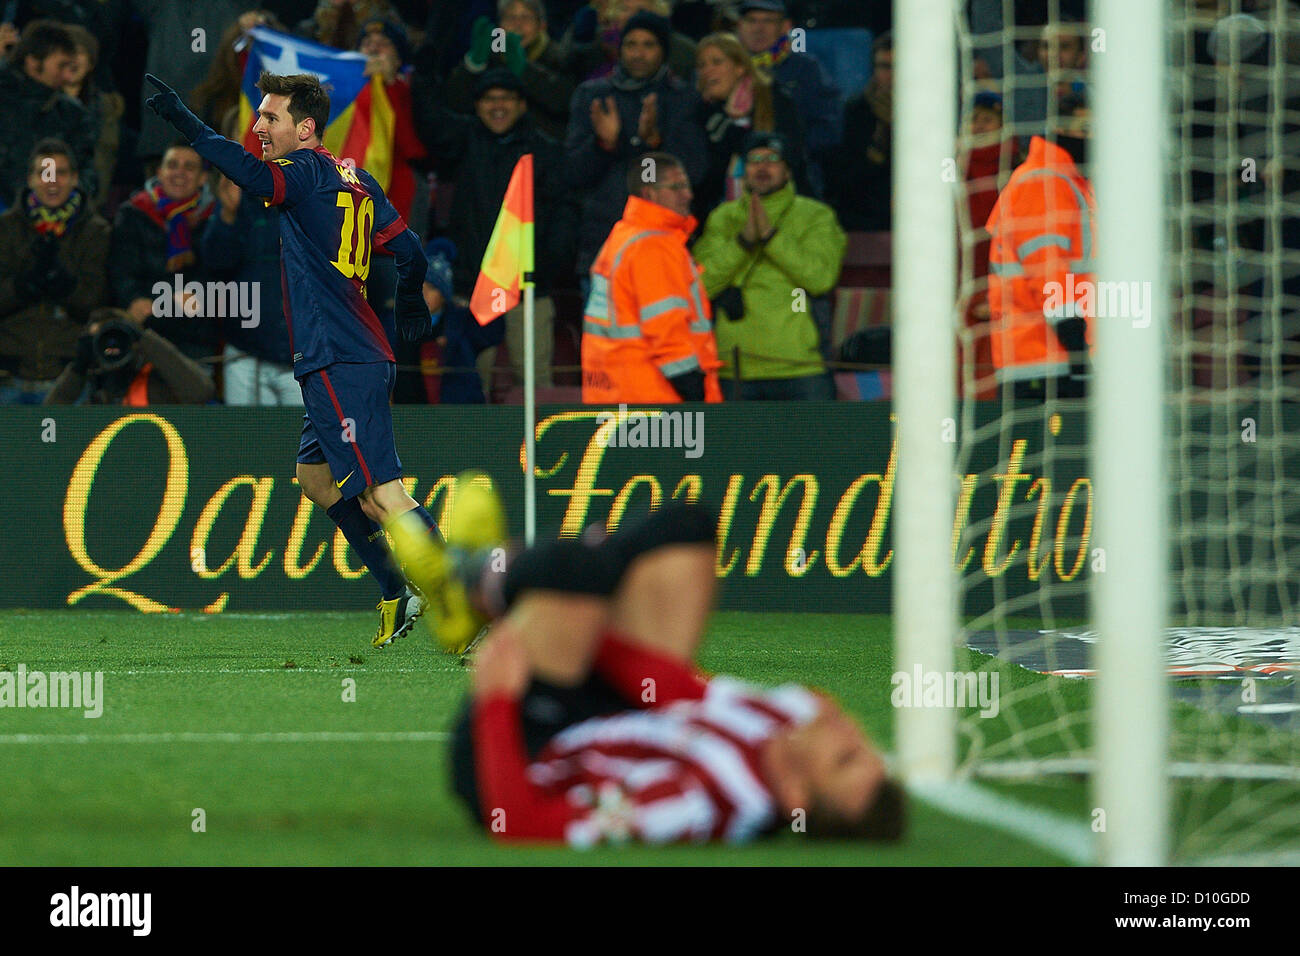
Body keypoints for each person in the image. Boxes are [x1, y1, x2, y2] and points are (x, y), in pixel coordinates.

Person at [143, 68, 439, 649]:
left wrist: (184, 120)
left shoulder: (301, 174)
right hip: (354, 352)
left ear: (306, 129)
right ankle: (395, 587)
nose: (258, 127)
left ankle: (468, 604)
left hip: (337, 355)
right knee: (314, 479)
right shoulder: (356, 178)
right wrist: (408, 296)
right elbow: (410, 250)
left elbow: (246, 171)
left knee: (382, 494)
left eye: (270, 117)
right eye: (258, 116)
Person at [450, 500, 906, 845]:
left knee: (576, 574)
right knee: (685, 529)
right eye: (863, 746)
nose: (845, 730)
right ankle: (498, 577)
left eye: (842, 758)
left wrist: (497, 700)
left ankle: (473, 583)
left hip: (522, 747)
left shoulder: (695, 804)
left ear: (795, 795)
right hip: (607, 711)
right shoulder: (784, 724)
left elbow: (517, 823)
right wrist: (593, 618)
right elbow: (670, 686)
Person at [414, 68, 575, 394]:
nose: (498, 106)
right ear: (476, 105)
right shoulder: (463, 139)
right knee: (470, 385)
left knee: (535, 387)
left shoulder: (545, 150)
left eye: (506, 98)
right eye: (489, 98)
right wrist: (428, 57)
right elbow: (429, 118)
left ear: (521, 105)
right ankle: (478, 448)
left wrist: (545, 265)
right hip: (473, 289)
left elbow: (566, 212)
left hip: (529, 288)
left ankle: (536, 447)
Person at [693, 132, 845, 400]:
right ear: (744, 170)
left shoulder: (815, 216)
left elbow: (820, 278)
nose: (762, 167)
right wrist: (742, 243)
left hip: (800, 367)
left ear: (787, 170)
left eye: (772, 159)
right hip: (735, 367)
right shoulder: (723, 218)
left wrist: (771, 238)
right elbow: (699, 286)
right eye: (754, 160)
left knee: (815, 444)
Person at [565, 10, 707, 279]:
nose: (638, 53)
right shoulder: (592, 96)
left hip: (665, 244)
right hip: (603, 243)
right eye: (631, 44)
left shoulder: (683, 99)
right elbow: (573, 173)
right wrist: (603, 145)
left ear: (664, 51)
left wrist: (654, 144)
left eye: (648, 45)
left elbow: (695, 173)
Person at [581, 152, 723, 404]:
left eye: (686, 185)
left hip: (618, 394)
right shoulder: (654, 245)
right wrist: (695, 392)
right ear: (649, 194)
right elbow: (667, 332)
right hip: (656, 401)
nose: (687, 195)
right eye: (676, 187)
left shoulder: (623, 236)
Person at [986, 89, 1095, 402]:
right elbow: (1046, 269)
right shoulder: (1045, 181)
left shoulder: (1068, 180)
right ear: (1059, 129)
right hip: (1047, 360)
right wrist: (1075, 346)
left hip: (1053, 357)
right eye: (1085, 129)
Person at [0, 139, 110, 404]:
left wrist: (64, 285)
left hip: (70, 380)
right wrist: (23, 286)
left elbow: (98, 303)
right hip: (8, 377)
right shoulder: (4, 229)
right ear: (30, 179)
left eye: (60, 172)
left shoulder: (96, 231)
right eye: (44, 173)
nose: (52, 181)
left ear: (74, 178)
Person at [197, 111, 296, 406]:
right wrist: (227, 215)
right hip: (245, 351)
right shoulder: (235, 197)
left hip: (304, 355)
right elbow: (216, 262)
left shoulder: (313, 190)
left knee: (308, 449)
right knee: (247, 448)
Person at [108, 142, 218, 362]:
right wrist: (134, 298)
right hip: (142, 331)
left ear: (202, 178)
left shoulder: (214, 218)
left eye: (189, 167)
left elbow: (216, 272)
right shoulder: (133, 213)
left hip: (194, 337)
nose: (179, 172)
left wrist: (198, 294)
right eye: (172, 165)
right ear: (160, 172)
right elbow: (120, 269)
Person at [692, 30, 807, 218]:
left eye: (717, 62)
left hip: (783, 209)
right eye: (701, 65)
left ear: (740, 67)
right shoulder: (701, 112)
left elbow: (791, 156)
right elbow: (704, 175)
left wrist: (730, 132)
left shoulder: (776, 101)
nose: (707, 71)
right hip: (721, 212)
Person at [733, 0, 839, 191]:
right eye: (751, 20)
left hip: (795, 179)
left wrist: (785, 155)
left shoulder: (807, 70)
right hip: (734, 176)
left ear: (786, 27)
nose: (758, 28)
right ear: (739, 26)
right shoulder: (725, 69)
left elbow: (828, 130)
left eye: (768, 21)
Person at [441, 0, 579, 142]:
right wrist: (473, 66)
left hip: (542, 151)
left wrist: (524, 70)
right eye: (510, 18)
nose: (518, 25)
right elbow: (454, 104)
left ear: (542, 25)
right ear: (500, 26)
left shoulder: (560, 57)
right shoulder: (490, 58)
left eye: (526, 18)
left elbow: (567, 103)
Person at [0, 20, 96, 213]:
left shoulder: (72, 113)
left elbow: (87, 172)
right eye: (61, 66)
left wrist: (63, 204)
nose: (68, 77)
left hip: (54, 216)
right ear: (33, 62)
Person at [44, 307, 216, 405]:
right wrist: (78, 367)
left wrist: (144, 338)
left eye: (117, 339)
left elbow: (201, 393)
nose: (111, 348)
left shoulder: (159, 381)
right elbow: (47, 424)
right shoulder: (95, 390)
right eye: (102, 341)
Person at [826, 29, 891, 231]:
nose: (891, 75)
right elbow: (839, 177)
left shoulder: (931, 112)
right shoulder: (855, 111)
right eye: (884, 67)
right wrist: (876, 153)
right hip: (863, 214)